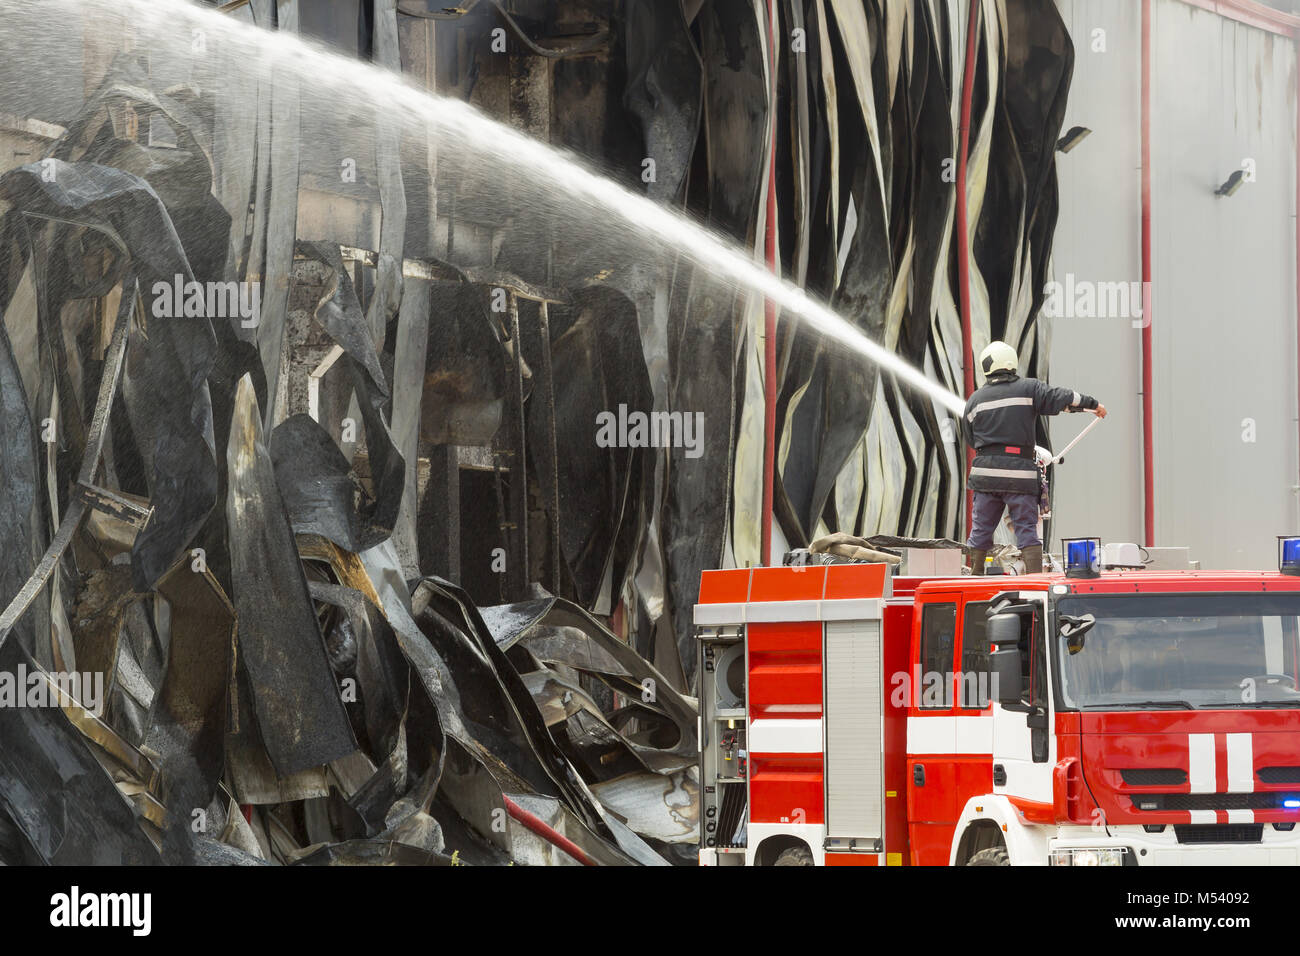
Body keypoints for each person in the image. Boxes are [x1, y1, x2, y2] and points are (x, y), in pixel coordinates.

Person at [962, 341, 1106, 574]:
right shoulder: (1029, 389)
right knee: (1026, 530)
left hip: (985, 474)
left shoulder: (974, 400)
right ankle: (1035, 580)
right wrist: (1092, 405)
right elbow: (1063, 398)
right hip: (1019, 474)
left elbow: (970, 438)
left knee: (980, 530)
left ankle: (976, 577)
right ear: (1012, 363)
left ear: (986, 366)